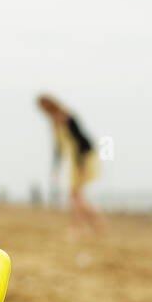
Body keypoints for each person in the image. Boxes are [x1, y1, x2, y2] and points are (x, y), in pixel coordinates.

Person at [36, 95, 102, 232]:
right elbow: (58, 148)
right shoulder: (54, 123)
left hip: (84, 157)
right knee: (75, 195)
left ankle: (84, 226)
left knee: (74, 194)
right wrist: (55, 168)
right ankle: (92, 225)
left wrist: (80, 164)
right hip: (75, 159)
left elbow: (81, 141)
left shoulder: (66, 116)